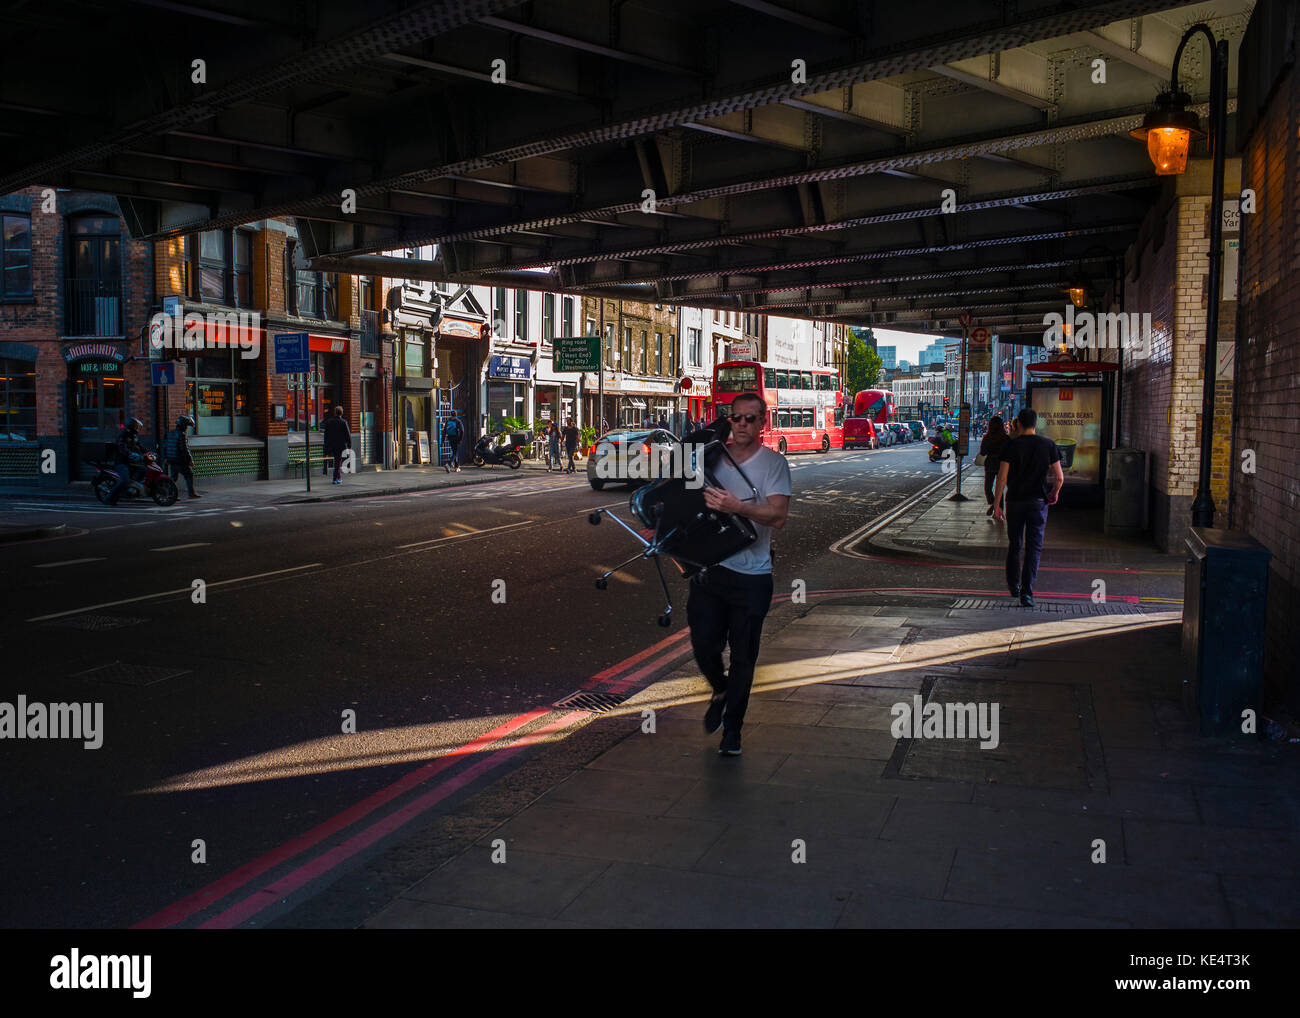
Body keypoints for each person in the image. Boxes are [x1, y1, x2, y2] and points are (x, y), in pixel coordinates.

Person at [690, 393, 792, 757]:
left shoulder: (774, 464)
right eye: (737, 418)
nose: (743, 424)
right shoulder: (712, 458)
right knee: (703, 644)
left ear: (763, 422)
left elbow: (777, 516)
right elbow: (685, 501)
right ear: (729, 421)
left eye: (751, 419)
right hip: (711, 572)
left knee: (744, 658)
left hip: (752, 577)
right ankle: (719, 688)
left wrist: (736, 506)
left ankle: (732, 731)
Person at [992, 408, 1065, 608]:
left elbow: (1002, 478)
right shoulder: (1048, 445)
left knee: (1015, 544)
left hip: (1015, 501)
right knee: (1034, 547)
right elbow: (1059, 477)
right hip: (1038, 503)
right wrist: (1054, 493)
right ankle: (1027, 593)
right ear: (1036, 424)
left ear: (1019, 425)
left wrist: (997, 504)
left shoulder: (1011, 446)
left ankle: (1013, 585)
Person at [106, 417, 146, 505]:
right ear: (132, 427)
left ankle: (134, 488)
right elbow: (122, 448)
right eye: (137, 427)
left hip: (132, 462)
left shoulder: (134, 436)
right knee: (125, 479)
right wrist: (130, 454)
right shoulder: (123, 436)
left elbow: (140, 446)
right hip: (122, 462)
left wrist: (148, 452)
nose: (138, 429)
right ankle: (109, 497)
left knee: (144, 470)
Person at [164, 414, 201, 499]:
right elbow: (184, 449)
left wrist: (166, 458)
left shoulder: (170, 433)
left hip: (171, 459)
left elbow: (165, 446)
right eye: (187, 426)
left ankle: (170, 494)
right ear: (184, 425)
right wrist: (190, 460)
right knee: (189, 475)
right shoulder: (182, 434)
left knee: (173, 477)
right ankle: (191, 493)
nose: (187, 428)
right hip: (179, 459)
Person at [978, 415, 1009, 517]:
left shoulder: (987, 438)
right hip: (1003, 464)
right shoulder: (1006, 438)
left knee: (988, 487)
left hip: (990, 464)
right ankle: (998, 506)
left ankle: (993, 504)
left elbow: (982, 452)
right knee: (1000, 487)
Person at [322, 406, 351, 485]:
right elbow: (348, 435)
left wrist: (326, 445)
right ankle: (335, 478)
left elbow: (326, 435)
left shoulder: (329, 422)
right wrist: (349, 445)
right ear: (341, 413)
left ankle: (339, 477)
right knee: (338, 462)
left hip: (332, 445)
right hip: (341, 446)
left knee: (337, 461)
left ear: (335, 412)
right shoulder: (343, 422)